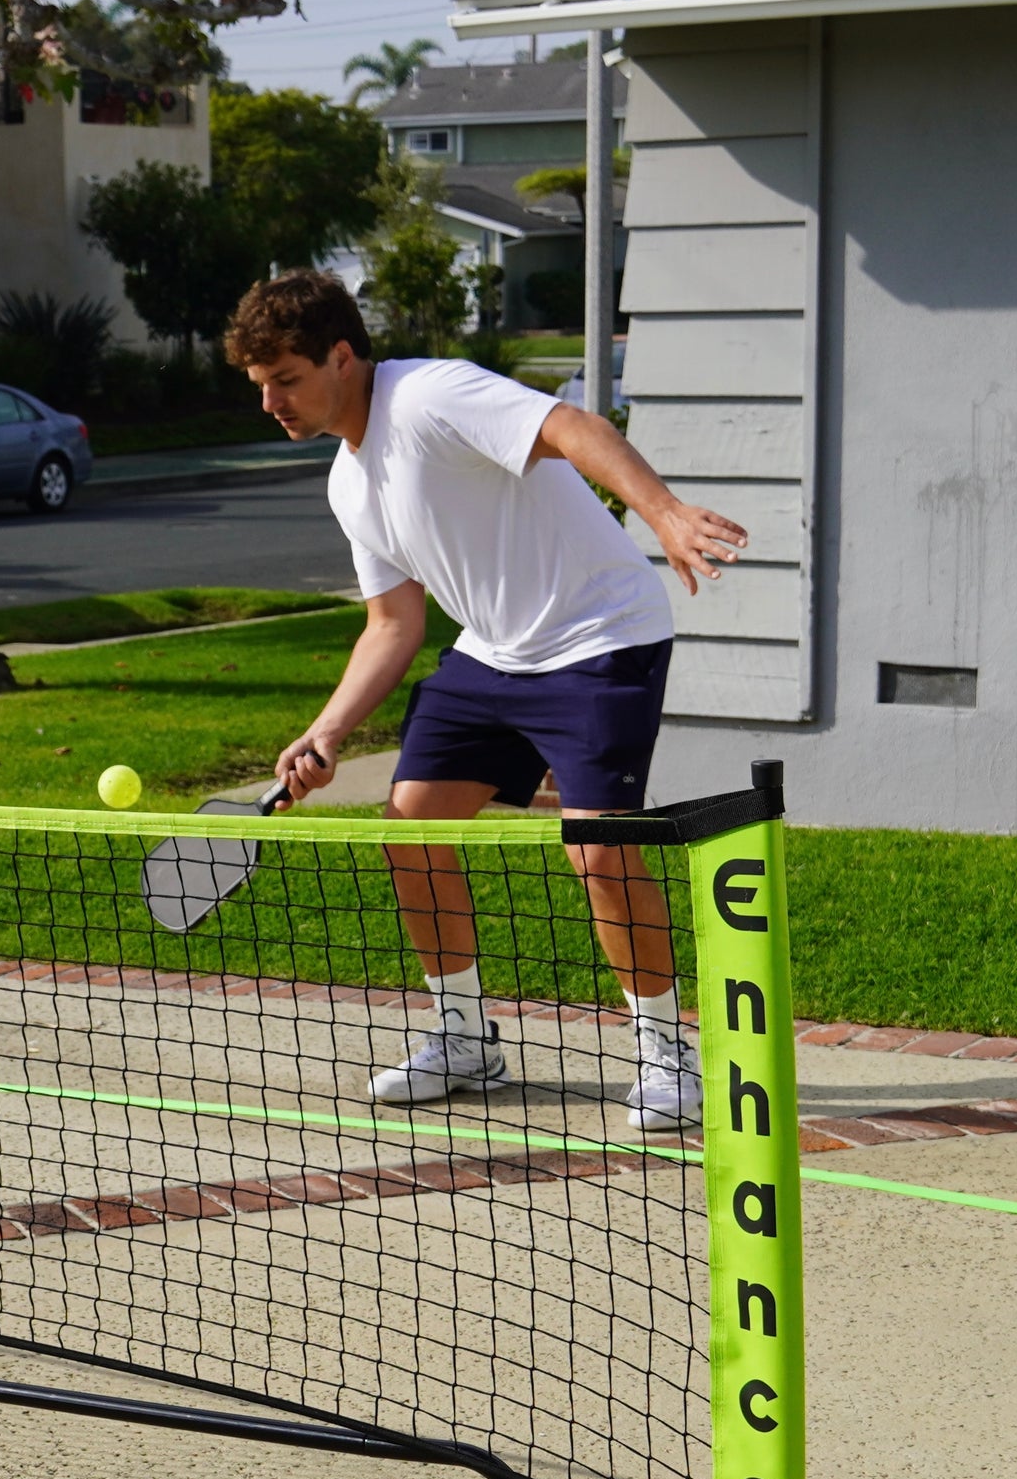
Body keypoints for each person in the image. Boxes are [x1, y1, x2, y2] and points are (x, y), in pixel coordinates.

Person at [224, 270, 749, 1127]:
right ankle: (465, 1040)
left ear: (343, 357)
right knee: (411, 827)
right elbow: (393, 625)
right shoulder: (347, 485)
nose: (271, 402)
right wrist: (324, 733)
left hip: (599, 634)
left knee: (600, 852)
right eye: (262, 386)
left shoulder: (431, 396)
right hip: (494, 653)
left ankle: (668, 1053)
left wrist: (661, 512)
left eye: (286, 379)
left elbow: (573, 425)